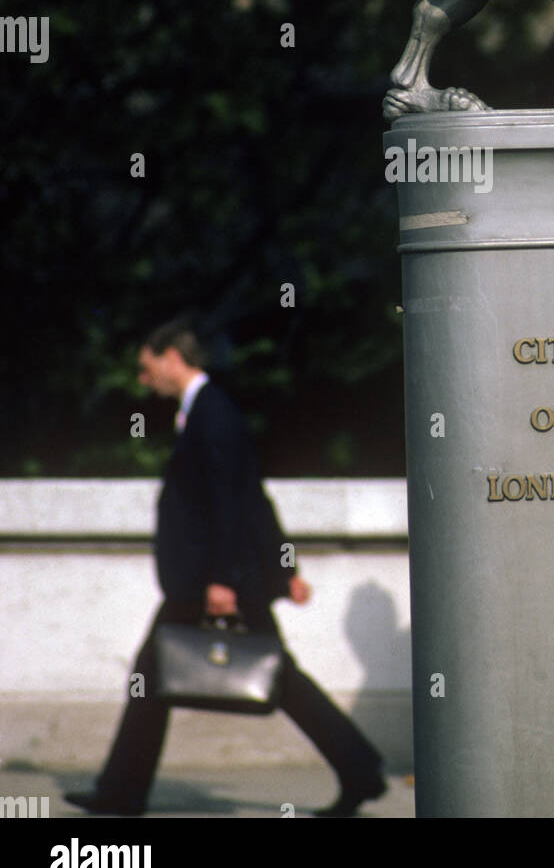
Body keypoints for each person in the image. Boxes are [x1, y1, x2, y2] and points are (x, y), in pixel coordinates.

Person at [65, 319, 386, 818]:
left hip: (214, 581)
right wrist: (286, 569)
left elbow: (229, 503)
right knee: (177, 675)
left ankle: (121, 795)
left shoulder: (211, 413)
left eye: (146, 367)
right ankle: (360, 770)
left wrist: (221, 580)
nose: (143, 378)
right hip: (218, 578)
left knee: (183, 676)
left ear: (172, 355)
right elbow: (250, 496)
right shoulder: (207, 411)